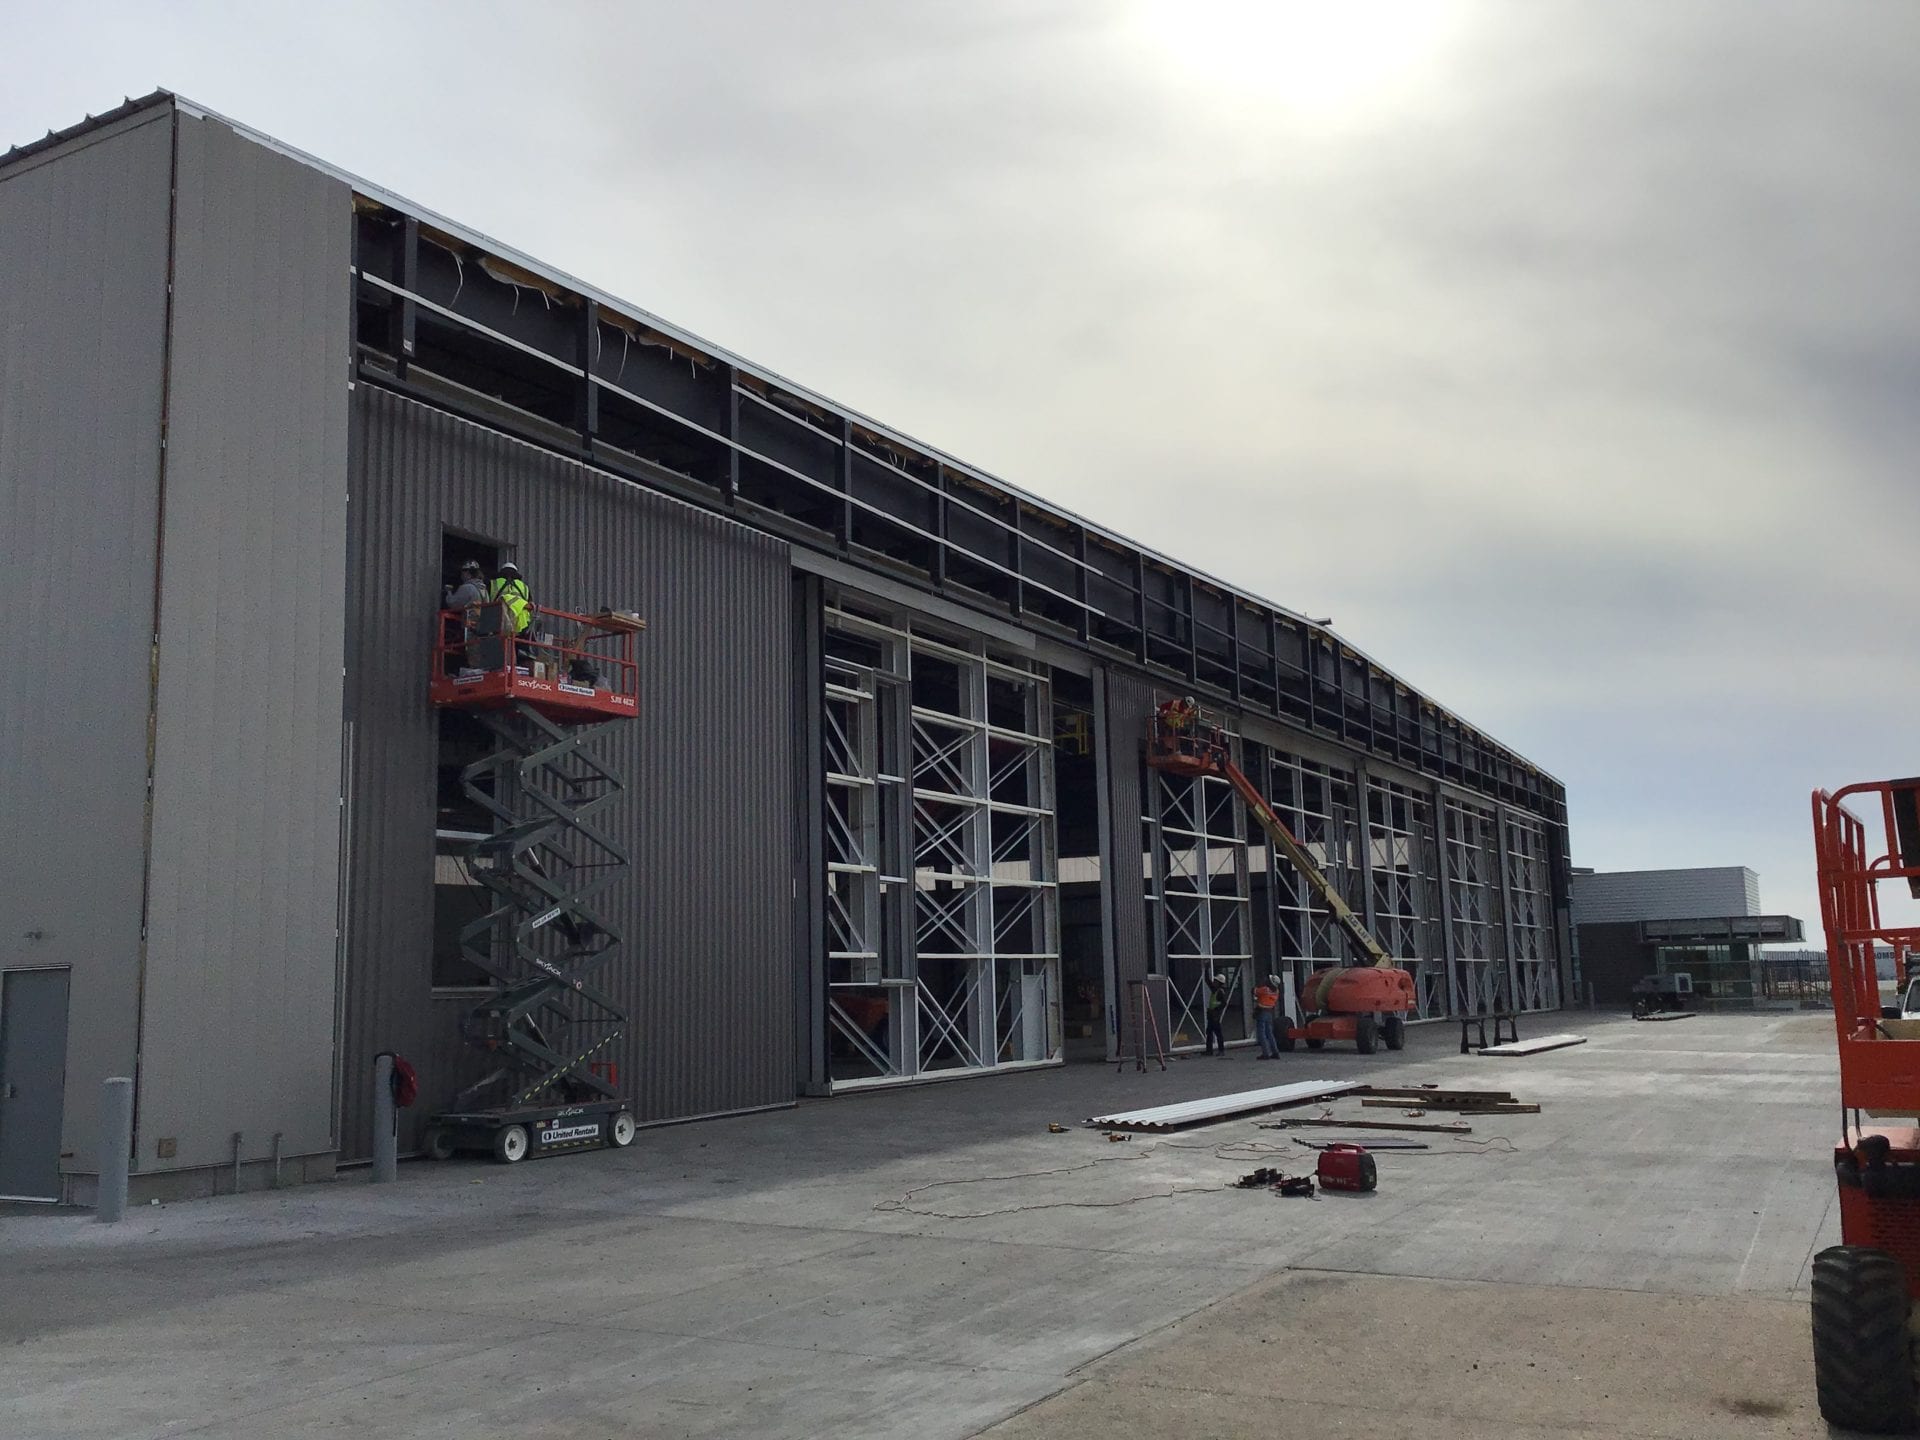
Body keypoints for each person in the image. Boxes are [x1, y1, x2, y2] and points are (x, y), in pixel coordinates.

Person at [440, 560, 487, 675]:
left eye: (463, 572)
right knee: (476, 651)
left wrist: (448, 592)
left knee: (468, 649)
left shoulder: (468, 588)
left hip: (470, 625)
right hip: (482, 627)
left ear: (468, 573)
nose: (461, 576)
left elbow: (452, 603)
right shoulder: (484, 590)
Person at [489, 561, 532, 668]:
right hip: (519, 621)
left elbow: (486, 601)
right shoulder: (524, 586)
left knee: (499, 643)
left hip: (498, 618)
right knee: (515, 643)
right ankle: (514, 666)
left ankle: (501, 666)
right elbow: (530, 604)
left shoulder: (493, 583)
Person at [1253, 974, 1282, 1058]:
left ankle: (1265, 1053)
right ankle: (1275, 1052)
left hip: (1261, 1012)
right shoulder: (1276, 991)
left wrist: (1260, 983)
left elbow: (1254, 991)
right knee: (1269, 1033)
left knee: (1261, 1034)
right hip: (1269, 1013)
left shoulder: (1265, 989)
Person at [1204, 973, 1230, 1056]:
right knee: (1209, 1032)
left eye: (1215, 981)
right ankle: (1209, 1051)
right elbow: (1207, 981)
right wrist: (1206, 969)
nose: (1214, 982)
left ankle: (1221, 1050)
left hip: (1215, 1015)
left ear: (1219, 983)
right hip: (1212, 1014)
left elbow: (1224, 1003)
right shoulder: (1215, 989)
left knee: (1218, 1033)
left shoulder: (1219, 992)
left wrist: (1215, 1010)